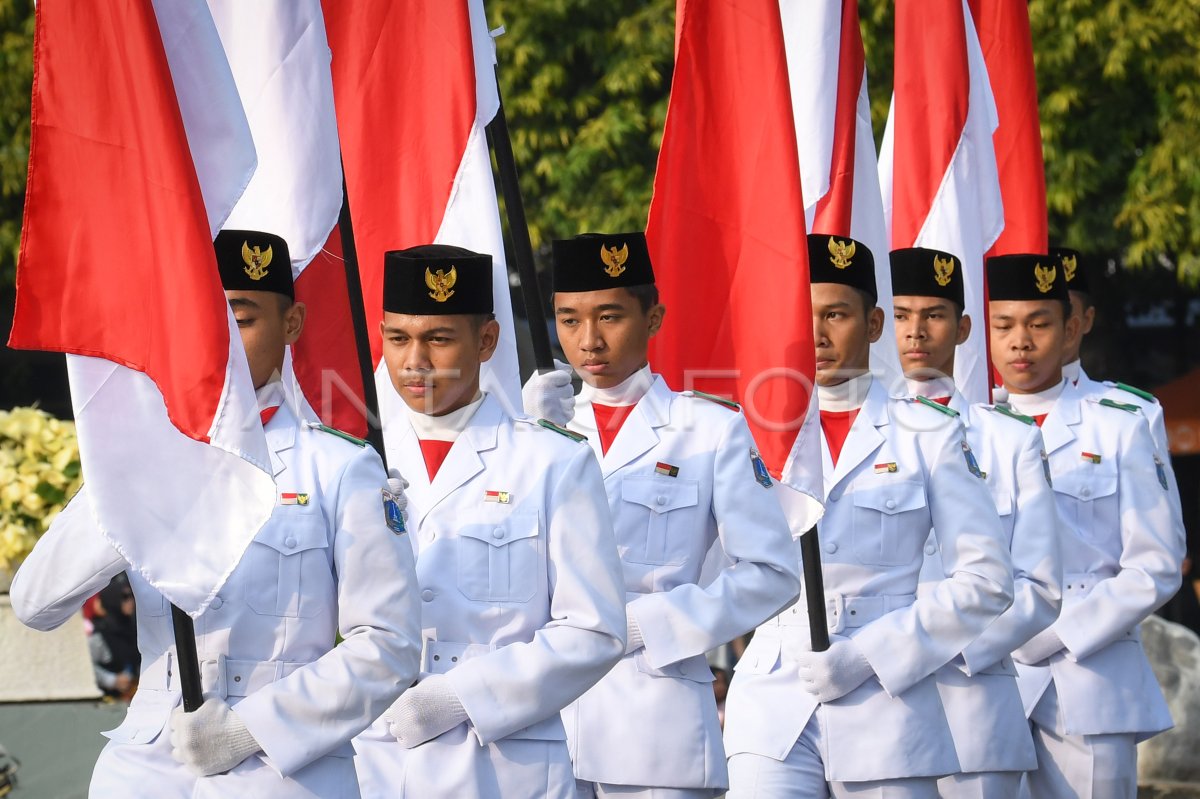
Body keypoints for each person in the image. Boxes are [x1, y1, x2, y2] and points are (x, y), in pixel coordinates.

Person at [11, 229, 422, 797]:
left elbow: (388, 644)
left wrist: (251, 729)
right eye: (206, 320)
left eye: (243, 318)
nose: (221, 340)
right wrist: (133, 484)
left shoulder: (338, 467)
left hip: (280, 771)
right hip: (143, 767)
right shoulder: (141, 459)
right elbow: (35, 603)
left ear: (293, 323)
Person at [723, 234, 1014, 799]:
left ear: (875, 323)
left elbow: (986, 581)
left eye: (836, 314)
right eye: (801, 315)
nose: (817, 335)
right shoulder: (745, 431)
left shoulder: (929, 432)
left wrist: (872, 654)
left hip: (889, 700)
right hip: (772, 698)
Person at [519, 232, 801, 798]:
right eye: (569, 320)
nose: (589, 340)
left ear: (653, 318)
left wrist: (651, 624)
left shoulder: (708, 430)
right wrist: (521, 438)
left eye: (609, 317)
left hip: (653, 720)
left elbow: (773, 574)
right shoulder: (533, 431)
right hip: (541, 722)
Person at [352, 244, 627, 799]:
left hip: (503, 763)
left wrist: (463, 696)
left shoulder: (551, 461)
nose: (415, 362)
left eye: (438, 339)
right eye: (398, 338)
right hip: (371, 758)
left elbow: (594, 630)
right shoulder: (353, 462)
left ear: (486, 341)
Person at [986, 253, 1181, 798]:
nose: (1021, 342)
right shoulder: (965, 427)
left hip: (1088, 677)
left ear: (1072, 326)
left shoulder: (1122, 419)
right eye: (1005, 325)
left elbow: (1156, 565)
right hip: (984, 676)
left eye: (1039, 323)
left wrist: (1055, 632)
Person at [890, 246, 1063, 798]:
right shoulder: (848, 444)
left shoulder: (1010, 439)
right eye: (900, 315)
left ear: (964, 328)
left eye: (934, 315)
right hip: (876, 699)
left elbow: (1039, 585)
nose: (916, 332)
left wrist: (947, 646)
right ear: (876, 324)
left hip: (974, 695)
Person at [1054, 246, 1186, 567]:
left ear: (1085, 321)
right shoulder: (981, 414)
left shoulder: (1130, 415)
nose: (1055, 326)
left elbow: (1158, 556)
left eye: (1064, 312)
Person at [89, 574, 140, 700]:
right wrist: (112, 680)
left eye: (132, 596)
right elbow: (86, 665)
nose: (131, 601)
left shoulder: (135, 628)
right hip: (107, 704)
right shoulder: (100, 635)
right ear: (112, 600)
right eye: (125, 597)